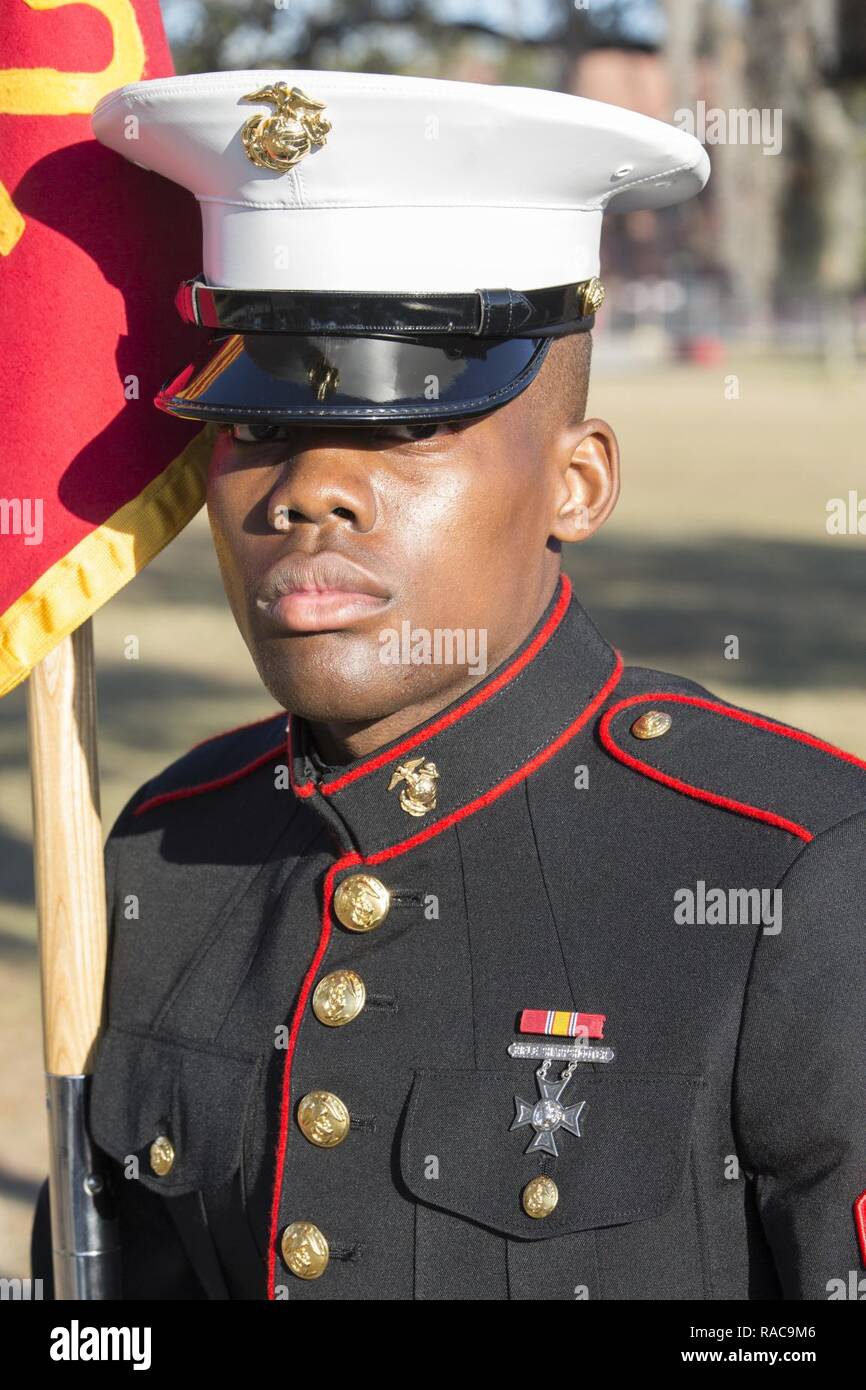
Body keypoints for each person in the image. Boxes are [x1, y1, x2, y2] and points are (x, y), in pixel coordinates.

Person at [32, 70, 866, 1301]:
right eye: (257, 428)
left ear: (575, 484)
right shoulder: (165, 849)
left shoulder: (789, 867)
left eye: (404, 428)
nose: (306, 486)